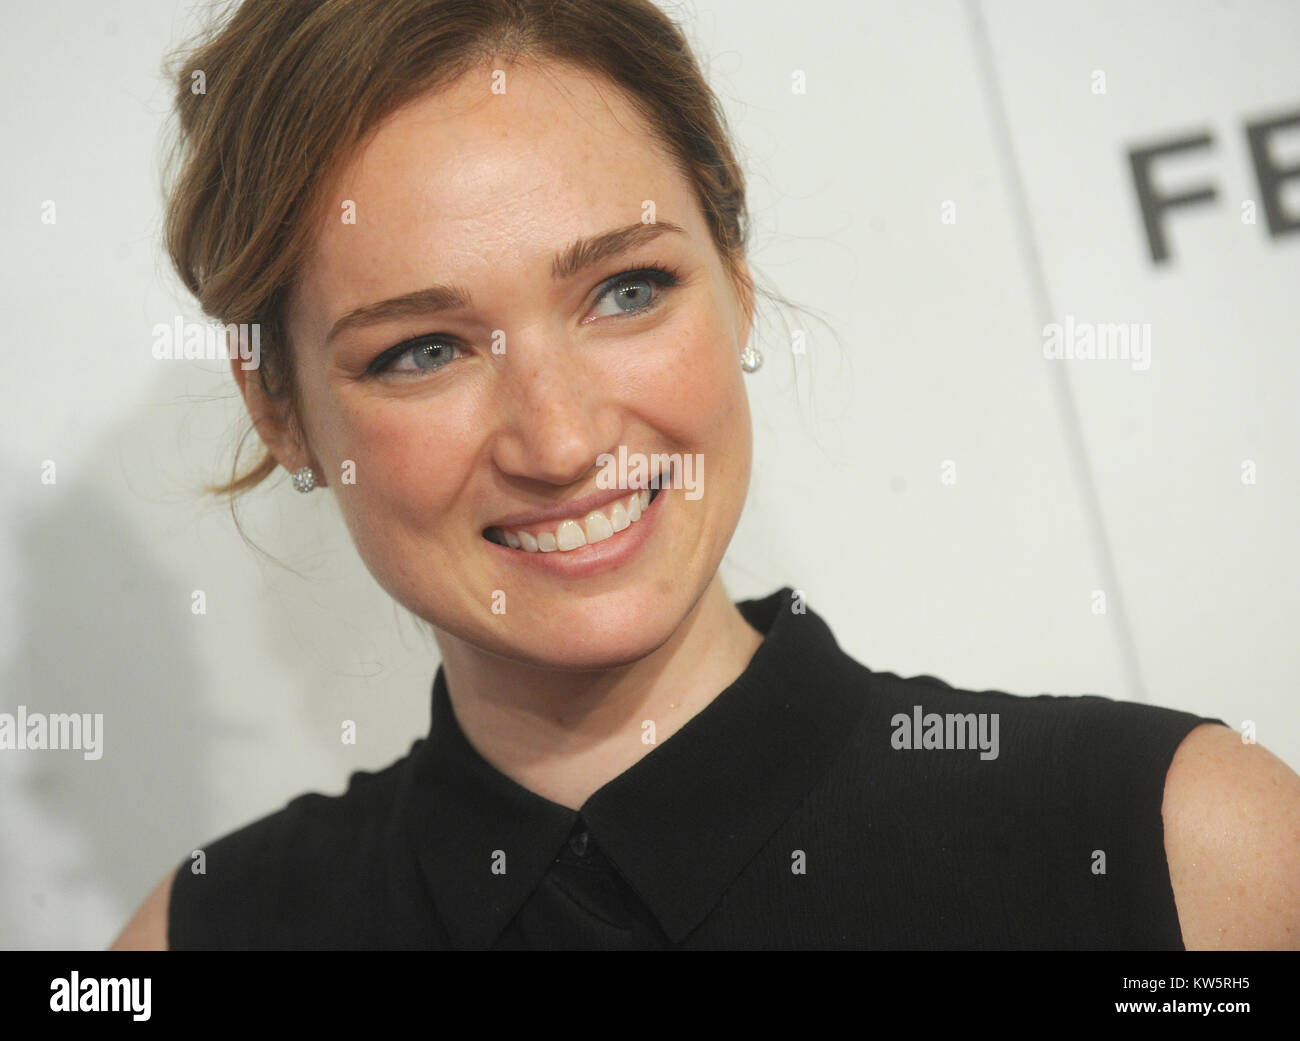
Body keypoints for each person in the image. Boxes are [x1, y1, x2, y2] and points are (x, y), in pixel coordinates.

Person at [113, 0, 1300, 950]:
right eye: (423, 351)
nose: (560, 441)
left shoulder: (1181, 854)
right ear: (279, 410)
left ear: (733, 269)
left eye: (624, 291)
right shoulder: (205, 940)